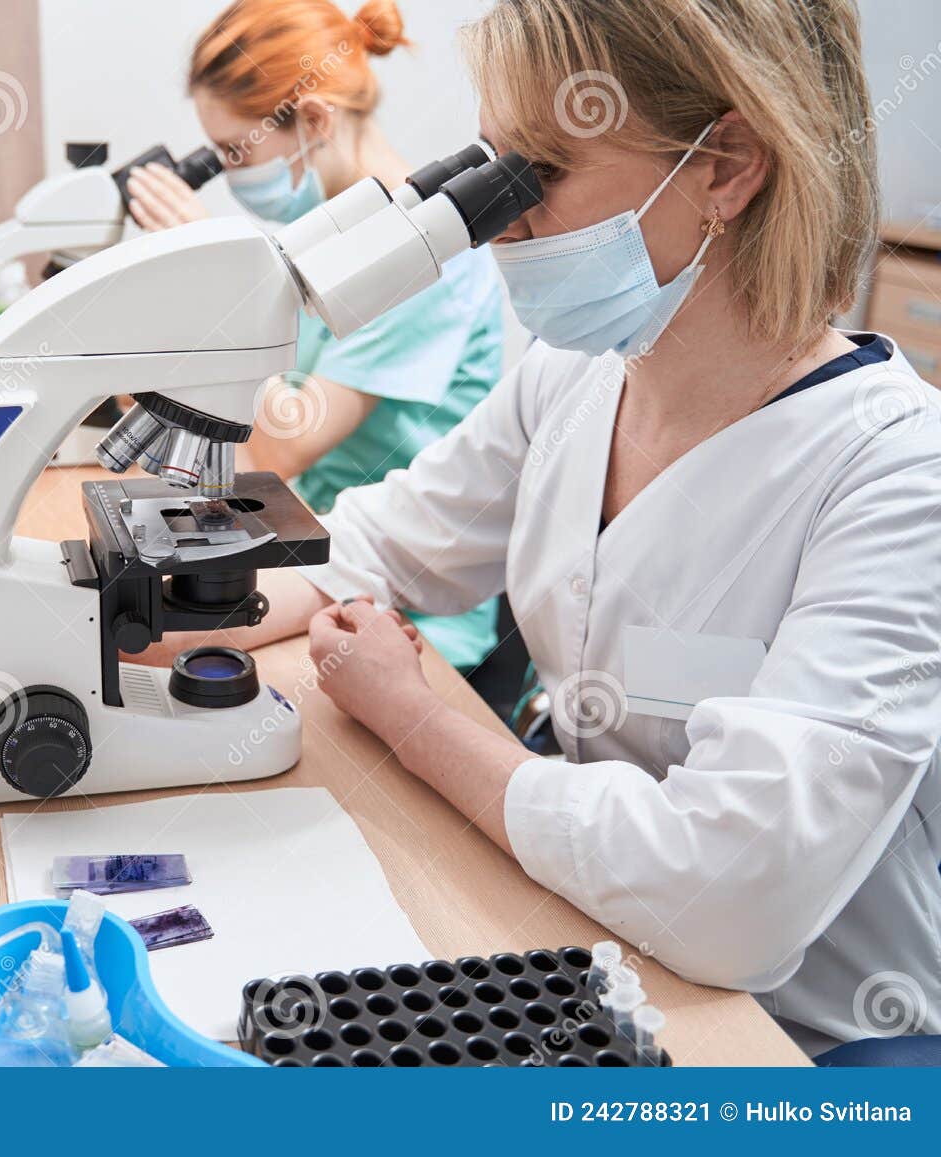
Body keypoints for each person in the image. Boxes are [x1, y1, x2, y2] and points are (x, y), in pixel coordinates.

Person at [157, 0, 941, 1055]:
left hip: (802, 1033)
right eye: (492, 165)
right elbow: (380, 542)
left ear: (724, 166)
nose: (499, 219)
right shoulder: (573, 375)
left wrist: (422, 720)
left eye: (538, 171)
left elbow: (724, 894)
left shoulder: (897, 476)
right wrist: (140, 607)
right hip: (591, 943)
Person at [124, 0, 506, 673]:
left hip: (403, 603)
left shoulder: (419, 258)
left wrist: (207, 274)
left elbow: (272, 445)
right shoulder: (321, 239)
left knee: (140, 649)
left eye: (232, 152)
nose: (227, 174)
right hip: (307, 544)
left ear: (315, 120)